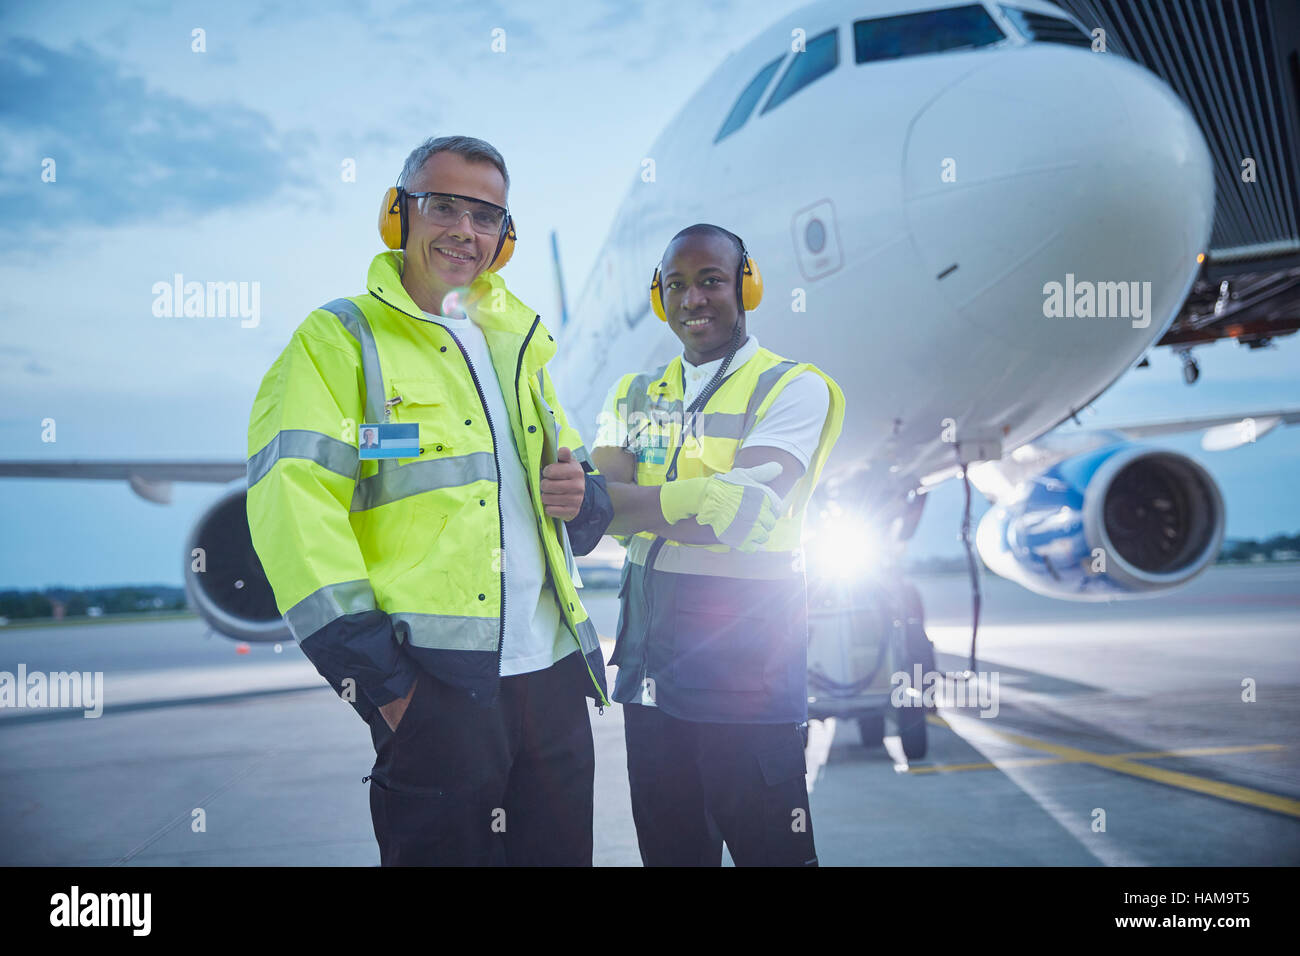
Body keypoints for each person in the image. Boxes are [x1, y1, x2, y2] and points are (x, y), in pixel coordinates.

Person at [246, 135, 612, 866]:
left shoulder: (519, 346)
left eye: (486, 216)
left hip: (550, 688)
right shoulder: (340, 339)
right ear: (398, 215)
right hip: (434, 686)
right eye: (443, 206)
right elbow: (294, 514)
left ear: (503, 239)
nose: (464, 231)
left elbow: (578, 495)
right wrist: (385, 686)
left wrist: (586, 497)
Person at [591, 224, 844, 866]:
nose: (692, 299)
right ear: (659, 298)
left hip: (748, 683)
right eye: (676, 285)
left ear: (745, 286)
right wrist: (702, 498)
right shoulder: (633, 395)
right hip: (651, 680)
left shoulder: (791, 387)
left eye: (710, 281)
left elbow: (738, 520)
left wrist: (629, 506)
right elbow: (592, 511)